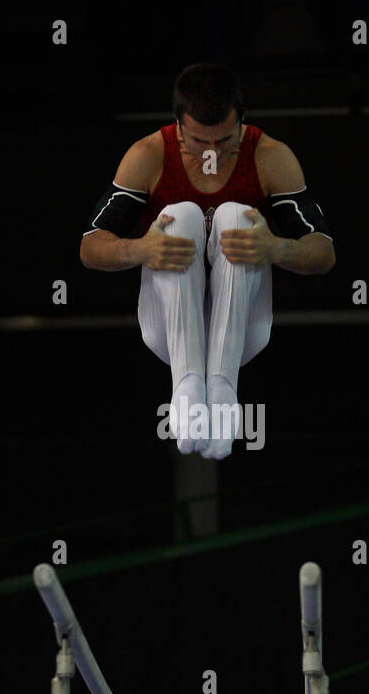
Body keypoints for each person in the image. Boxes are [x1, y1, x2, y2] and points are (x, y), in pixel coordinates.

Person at [80, 62, 335, 458]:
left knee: (237, 216)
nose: (212, 153)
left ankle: (220, 385)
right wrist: (140, 249)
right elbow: (89, 247)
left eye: (224, 140)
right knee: (179, 217)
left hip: (243, 331)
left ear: (243, 123)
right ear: (178, 126)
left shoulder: (270, 157)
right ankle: (187, 384)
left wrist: (276, 248)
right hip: (167, 328)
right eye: (199, 141)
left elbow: (324, 252)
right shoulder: (148, 155)